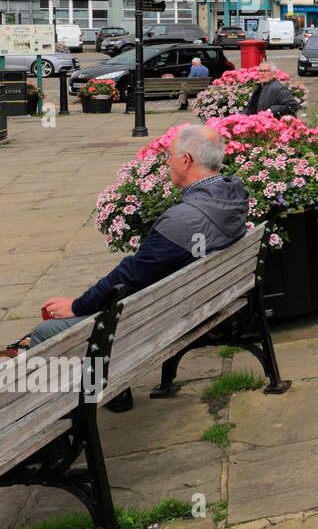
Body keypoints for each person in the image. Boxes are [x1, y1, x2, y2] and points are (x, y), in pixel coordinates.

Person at [4, 125, 250, 372]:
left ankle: (59, 403)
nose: (167, 163)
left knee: (46, 331)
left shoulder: (184, 220)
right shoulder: (233, 195)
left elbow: (130, 276)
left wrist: (77, 305)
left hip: (158, 319)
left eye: (169, 156)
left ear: (185, 161)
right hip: (197, 300)